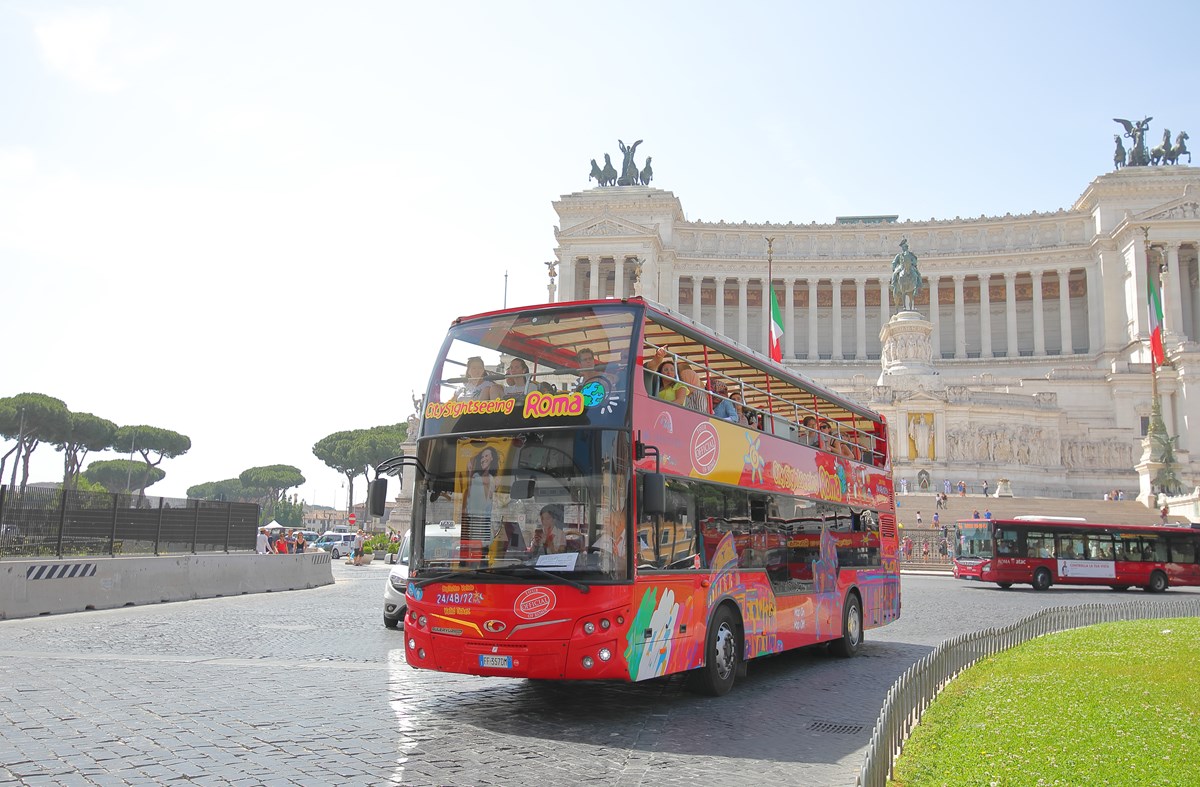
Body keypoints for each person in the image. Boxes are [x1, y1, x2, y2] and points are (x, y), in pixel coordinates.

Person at [465, 447, 499, 543]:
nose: (483, 459)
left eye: (486, 456)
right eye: (482, 457)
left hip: (487, 535)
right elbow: (468, 504)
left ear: (492, 458)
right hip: (474, 531)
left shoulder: (493, 480)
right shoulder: (475, 478)